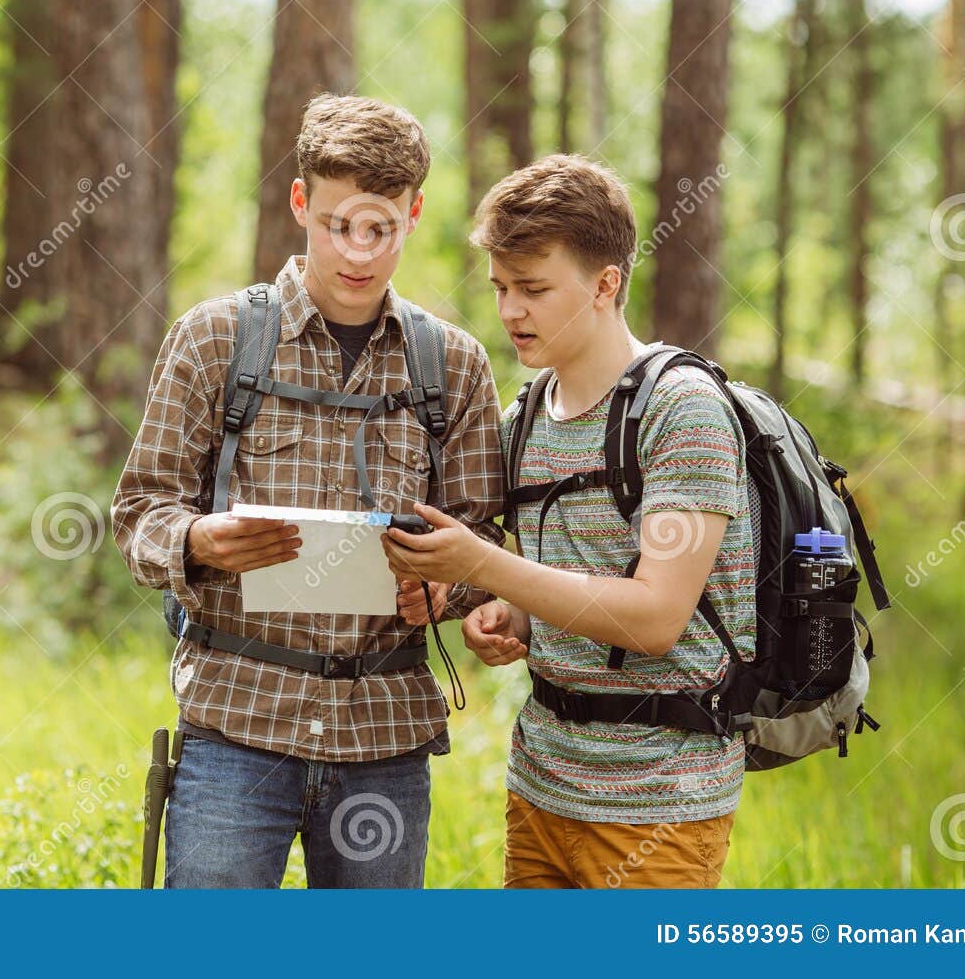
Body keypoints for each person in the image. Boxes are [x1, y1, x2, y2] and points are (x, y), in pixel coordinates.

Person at [110, 94, 505, 888]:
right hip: (235, 724)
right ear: (300, 203)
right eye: (336, 225)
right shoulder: (216, 339)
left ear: (414, 214)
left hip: (383, 740)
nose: (357, 253)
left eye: (380, 229)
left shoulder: (453, 366)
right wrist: (197, 540)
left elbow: (484, 541)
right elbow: (139, 511)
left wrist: (447, 589)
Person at [382, 154, 755, 888]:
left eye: (534, 288)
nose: (510, 310)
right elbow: (568, 577)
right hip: (541, 790)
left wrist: (483, 567)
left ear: (606, 283)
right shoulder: (525, 416)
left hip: (660, 808)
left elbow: (654, 618)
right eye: (499, 288)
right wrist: (511, 613)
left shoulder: (683, 411)